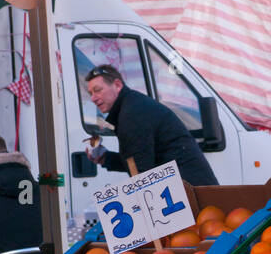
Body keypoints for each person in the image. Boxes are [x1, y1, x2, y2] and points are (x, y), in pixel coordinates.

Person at [84, 65, 218, 184]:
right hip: (186, 187)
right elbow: (135, 161)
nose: (93, 98)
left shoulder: (131, 114)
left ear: (117, 85)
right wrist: (106, 158)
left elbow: (140, 174)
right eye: (90, 93)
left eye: (98, 90)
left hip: (189, 191)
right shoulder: (129, 107)